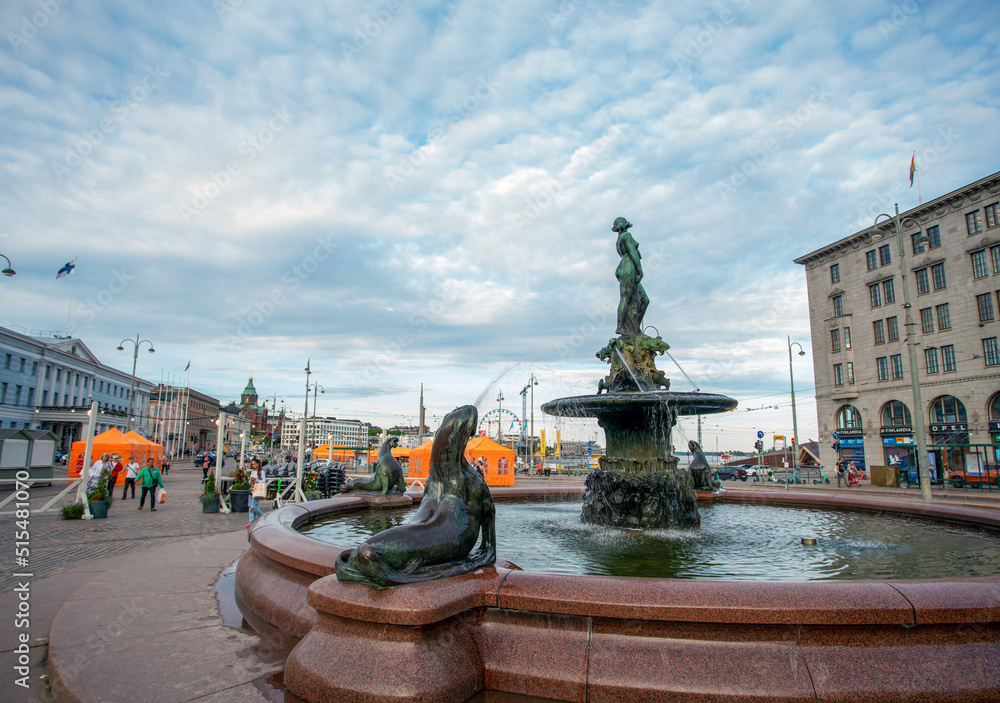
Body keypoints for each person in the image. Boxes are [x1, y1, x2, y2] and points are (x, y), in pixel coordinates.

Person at [613, 217, 650, 336]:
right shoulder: (626, 236)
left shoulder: (619, 239)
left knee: (644, 300)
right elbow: (633, 253)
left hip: (626, 267)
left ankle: (634, 328)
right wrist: (640, 270)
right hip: (628, 266)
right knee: (625, 298)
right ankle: (620, 327)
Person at [247, 458, 266, 527]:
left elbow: (263, 481)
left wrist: (257, 480)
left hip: (257, 489)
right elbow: (249, 482)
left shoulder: (261, 472)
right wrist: (251, 480)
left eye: (254, 464)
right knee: (250, 506)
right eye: (252, 464)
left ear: (258, 464)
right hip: (252, 488)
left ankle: (261, 516)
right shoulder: (253, 472)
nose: (253, 466)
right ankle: (251, 521)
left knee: (253, 506)